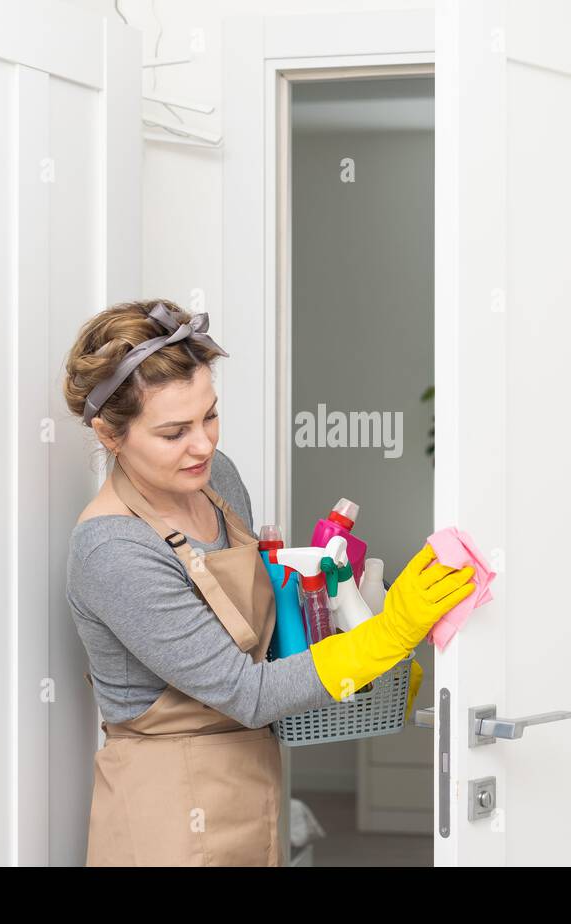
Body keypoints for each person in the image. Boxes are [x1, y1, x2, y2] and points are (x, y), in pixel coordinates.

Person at [62, 298, 475, 866]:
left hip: (250, 778)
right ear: (110, 435)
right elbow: (247, 692)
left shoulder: (215, 479)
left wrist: (358, 618)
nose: (203, 444)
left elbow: (266, 640)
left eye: (209, 415)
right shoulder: (113, 550)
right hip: (162, 814)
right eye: (173, 432)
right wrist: (388, 637)